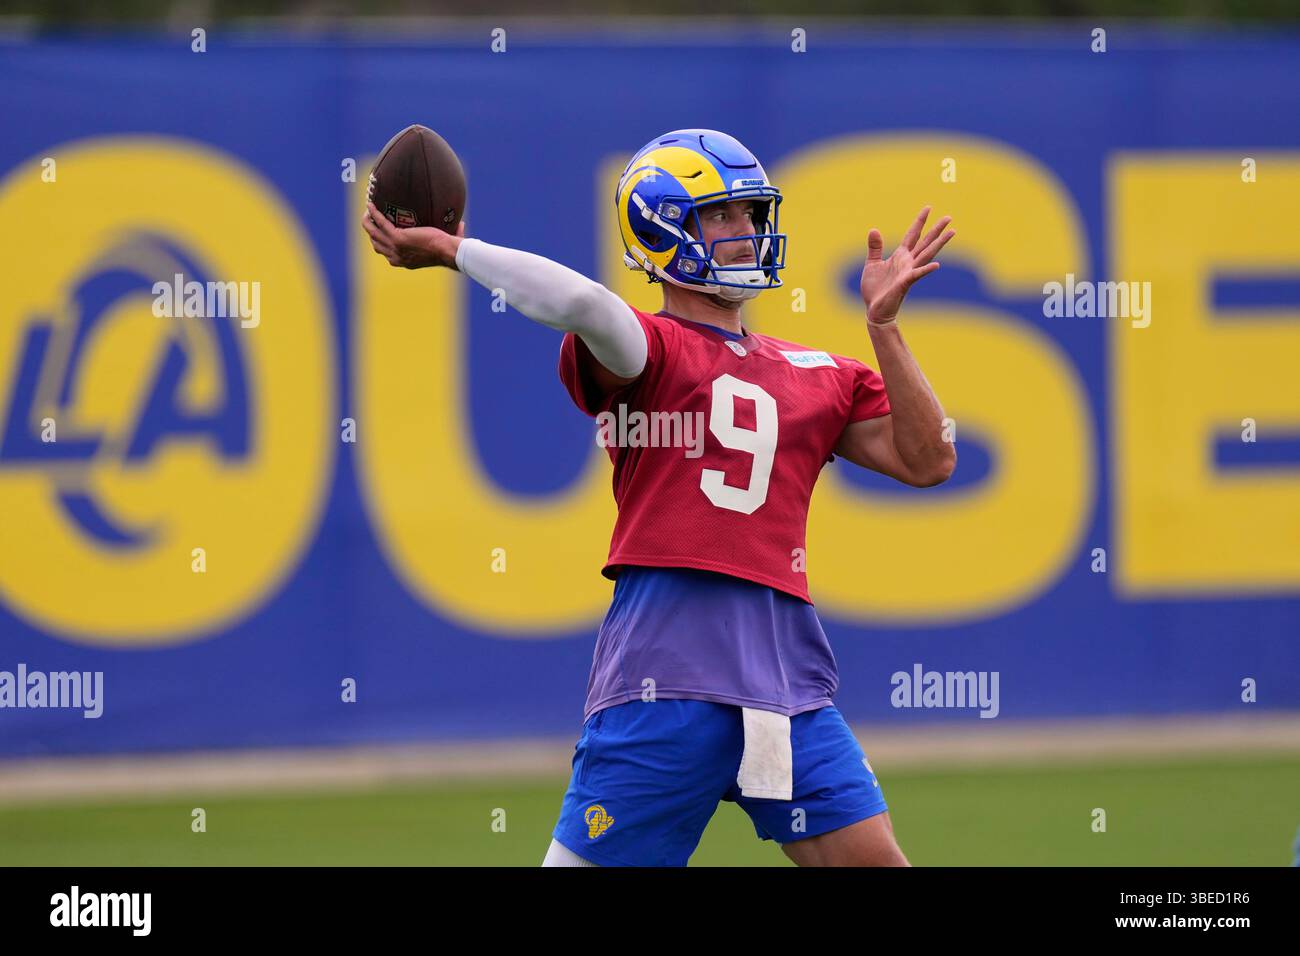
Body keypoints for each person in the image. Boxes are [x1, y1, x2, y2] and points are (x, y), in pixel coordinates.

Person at [362, 128, 955, 867]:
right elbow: (584, 304)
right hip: (666, 683)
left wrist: (885, 329)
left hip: (786, 687)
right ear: (663, 227)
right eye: (722, 216)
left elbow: (931, 459)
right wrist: (455, 251)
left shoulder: (820, 372)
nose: (745, 233)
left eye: (749, 214)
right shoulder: (650, 349)